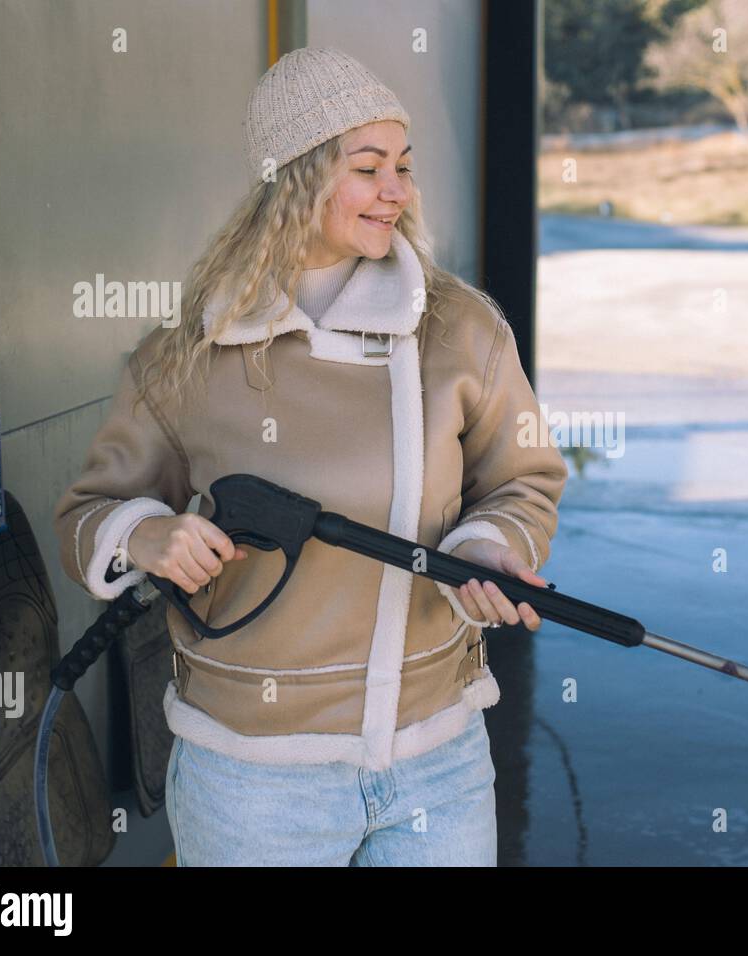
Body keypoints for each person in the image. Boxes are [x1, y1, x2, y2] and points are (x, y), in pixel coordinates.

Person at [51, 47, 568, 866]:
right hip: (255, 778)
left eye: (402, 165)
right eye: (368, 168)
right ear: (295, 177)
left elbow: (524, 476)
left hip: (438, 759)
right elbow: (89, 514)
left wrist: (484, 547)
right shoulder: (189, 355)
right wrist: (147, 535)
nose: (396, 189)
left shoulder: (460, 329)